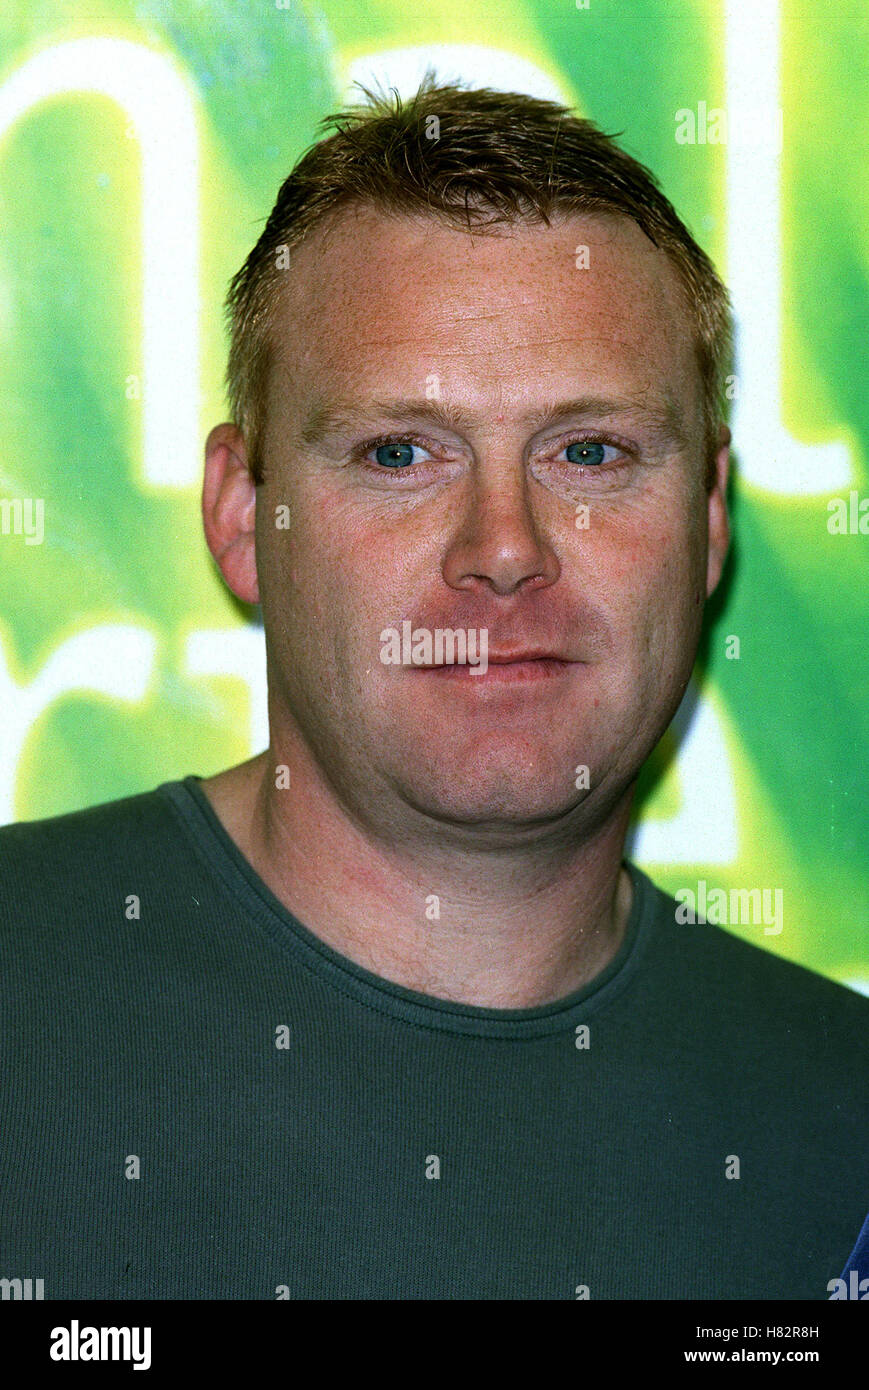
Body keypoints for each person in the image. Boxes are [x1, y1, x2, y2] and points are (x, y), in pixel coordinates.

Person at [1, 79, 866, 1301]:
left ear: (709, 519)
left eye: (589, 451)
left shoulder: (842, 1129)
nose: (503, 547)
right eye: (399, 453)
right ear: (243, 515)